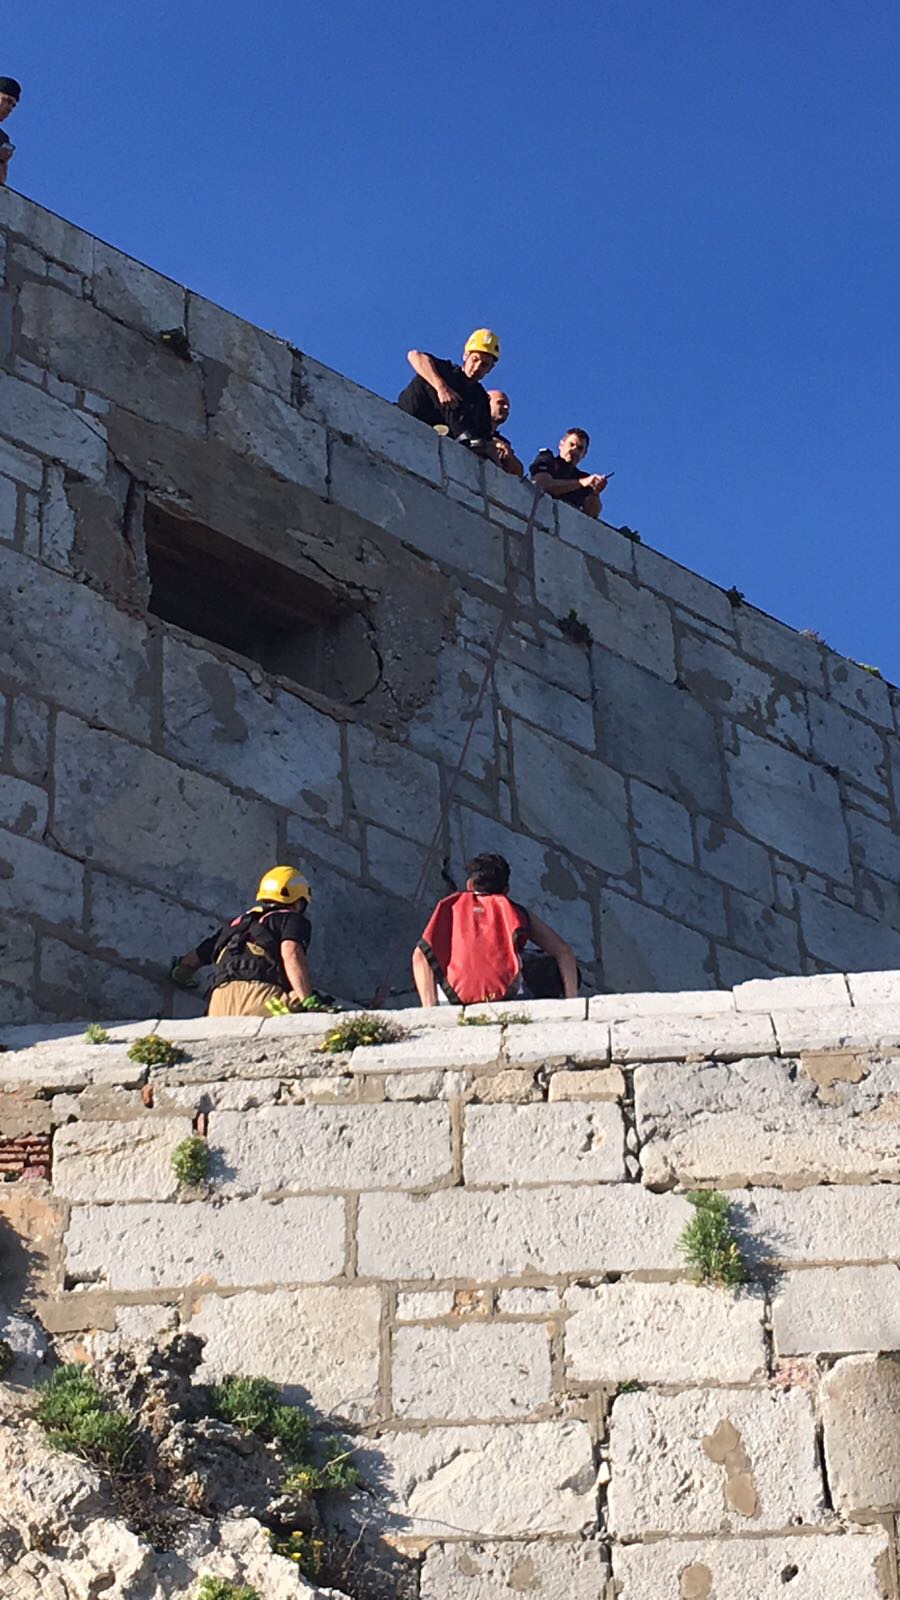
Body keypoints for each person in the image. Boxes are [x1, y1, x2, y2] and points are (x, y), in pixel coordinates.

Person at [412, 852, 578, 1006]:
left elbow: (421, 955)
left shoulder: (451, 907)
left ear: (470, 885)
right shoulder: (513, 910)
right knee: (546, 968)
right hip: (506, 996)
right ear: (506, 890)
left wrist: (430, 1009)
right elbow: (563, 951)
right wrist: (572, 1003)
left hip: (451, 998)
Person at [170, 865, 325, 1018]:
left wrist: (180, 973)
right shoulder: (292, 919)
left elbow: (191, 962)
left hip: (219, 1005)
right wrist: (308, 1000)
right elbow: (291, 952)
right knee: (302, 1001)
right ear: (299, 902)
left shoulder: (235, 925)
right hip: (261, 1001)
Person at [397, 329, 504, 460]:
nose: (477, 367)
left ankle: (466, 438)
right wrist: (441, 387)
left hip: (436, 437)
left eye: (484, 365)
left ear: (490, 369)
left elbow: (484, 436)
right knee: (430, 375)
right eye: (475, 360)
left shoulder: (480, 399)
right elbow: (414, 355)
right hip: (409, 413)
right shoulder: (448, 371)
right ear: (465, 356)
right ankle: (464, 435)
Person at [529, 428, 609, 520]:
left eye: (580, 448)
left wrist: (595, 492)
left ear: (584, 454)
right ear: (561, 445)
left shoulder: (583, 477)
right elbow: (541, 483)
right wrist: (581, 483)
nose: (574, 451)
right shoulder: (547, 459)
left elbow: (592, 513)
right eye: (571, 445)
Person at [488, 390, 525, 478]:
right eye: (500, 403)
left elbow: (519, 471)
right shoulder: (469, 425)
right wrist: (494, 443)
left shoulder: (504, 442)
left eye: (508, 406)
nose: (505, 408)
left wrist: (509, 457)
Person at [0, 77, 21, 187]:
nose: (9, 108)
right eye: (7, 101)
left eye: (13, 105)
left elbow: (1, 180)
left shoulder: (2, 138)